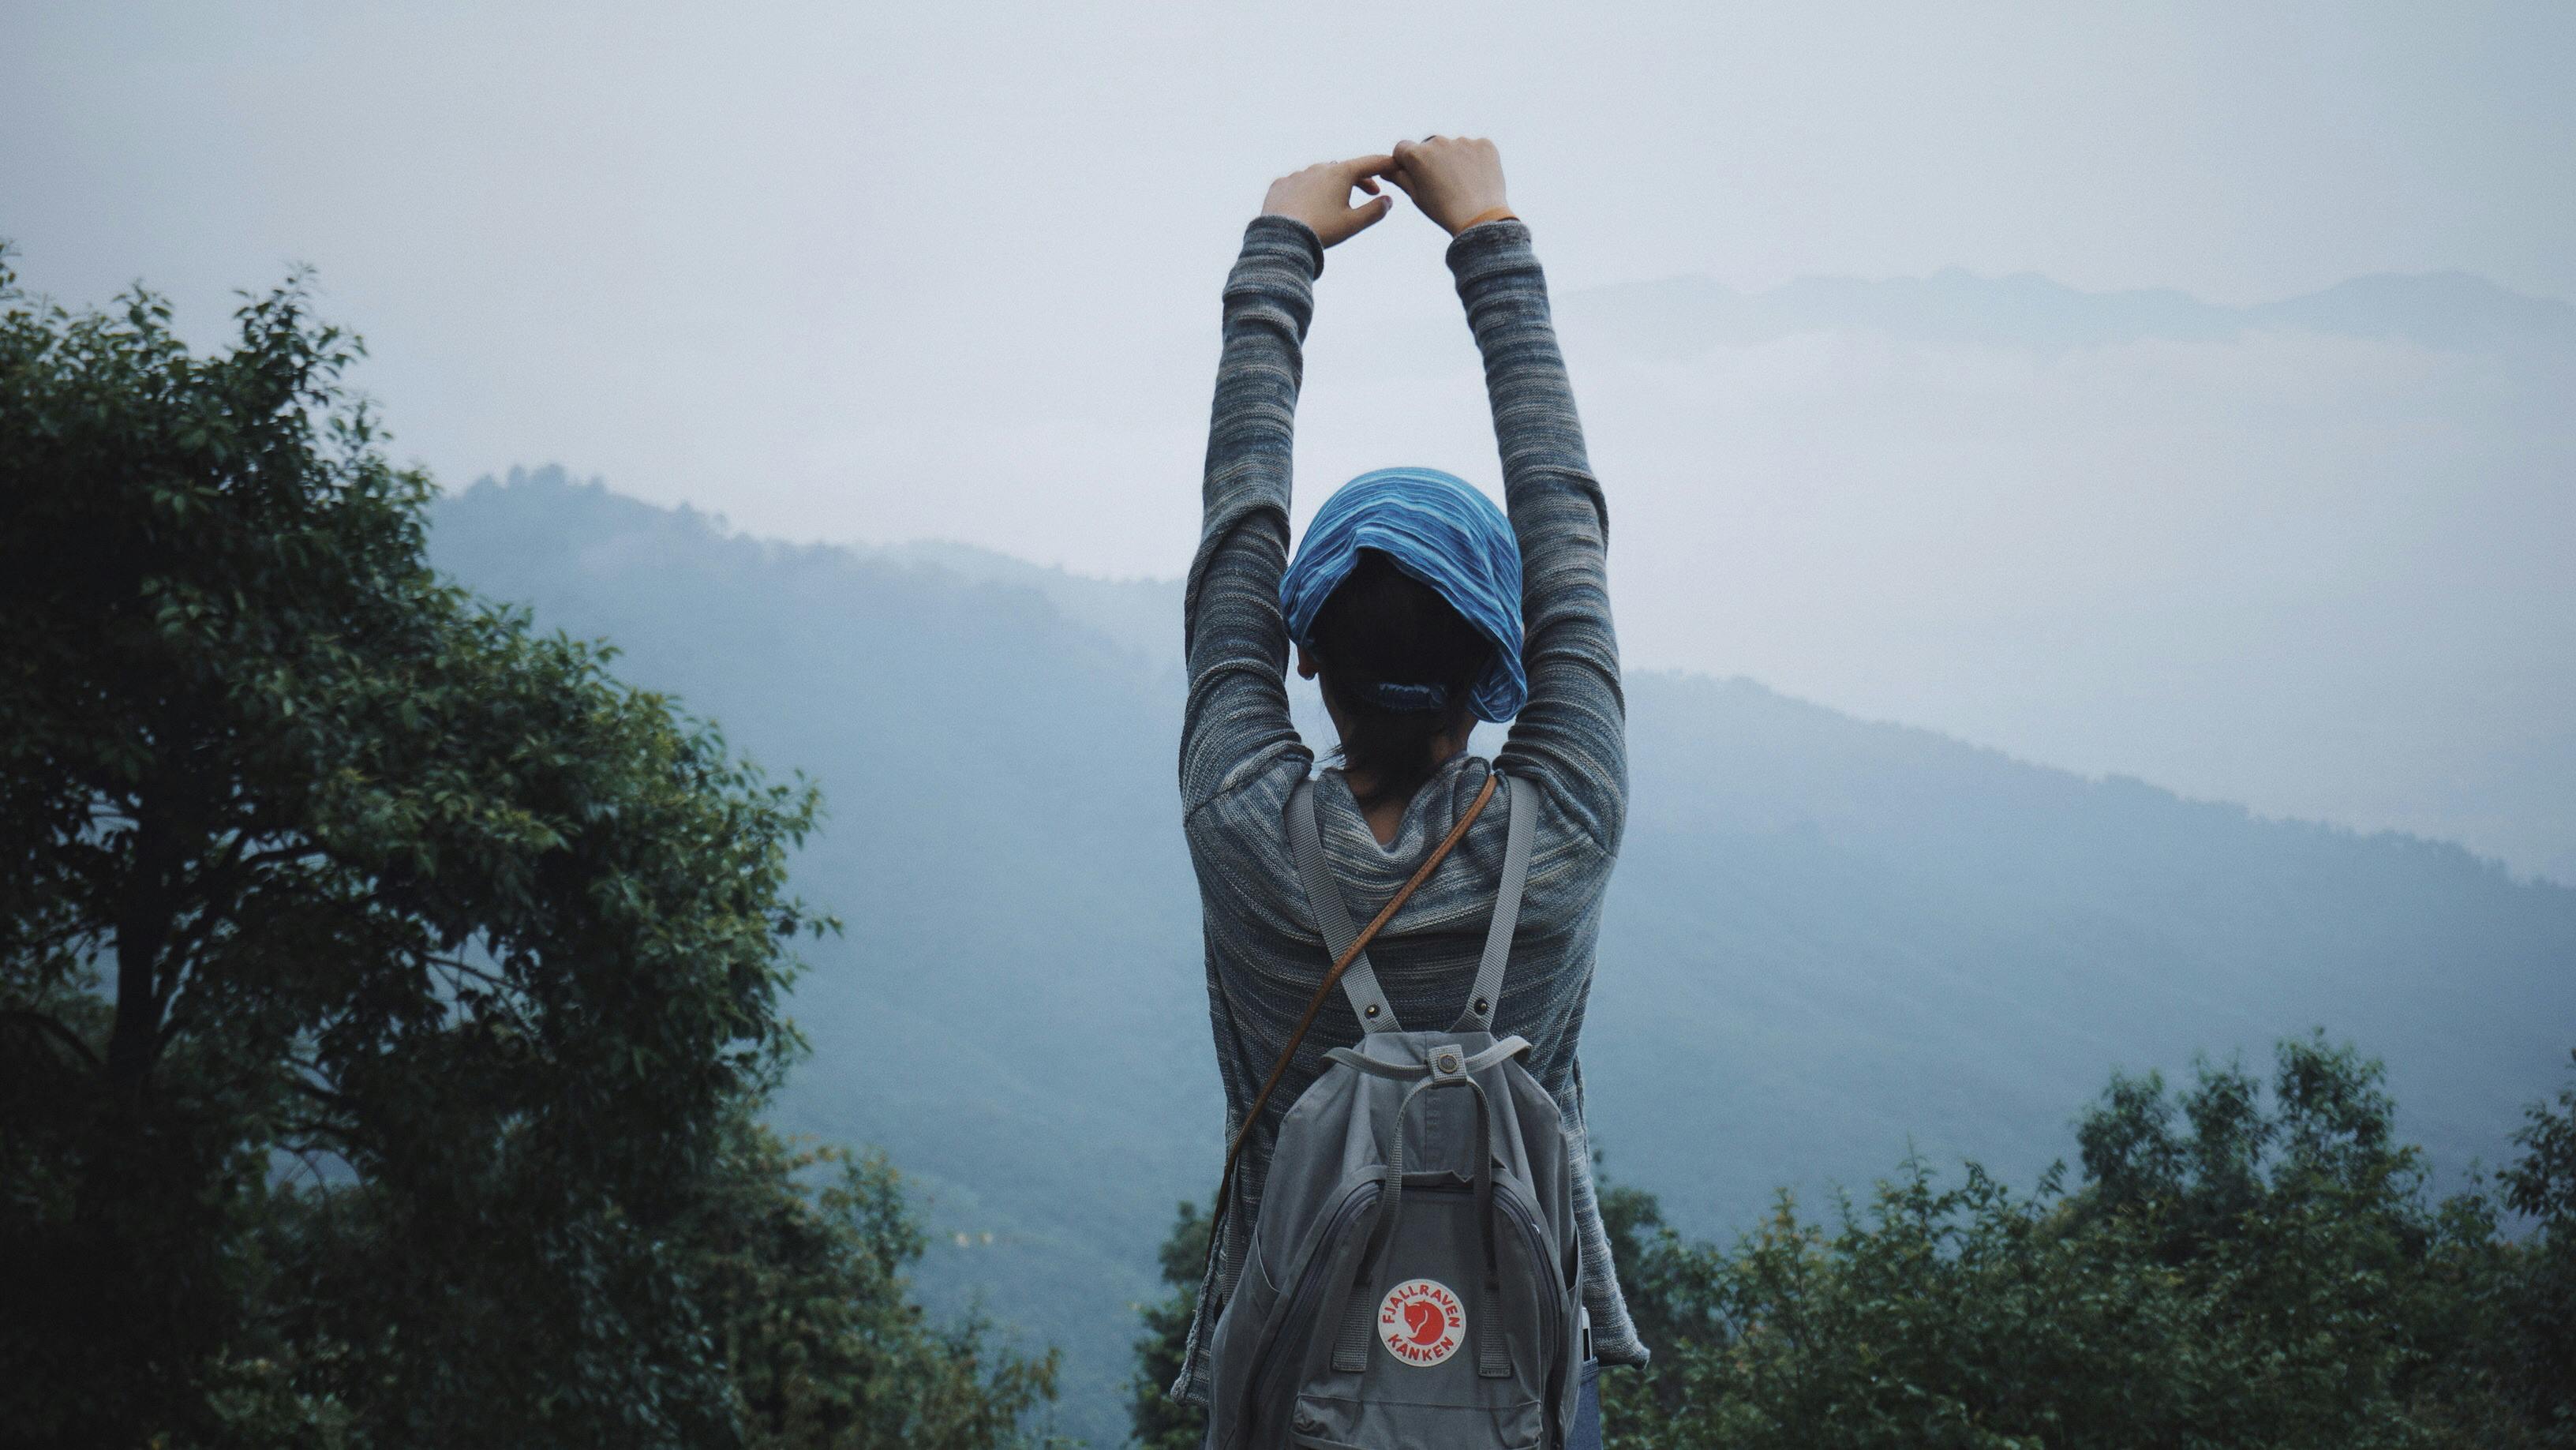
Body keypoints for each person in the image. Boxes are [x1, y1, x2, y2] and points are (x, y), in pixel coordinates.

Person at [1170, 136, 1645, 1448]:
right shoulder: (1564, 827)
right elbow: (1566, 520)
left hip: (1291, 1389)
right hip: (1519, 1393)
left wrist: (1281, 251)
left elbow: (1234, 537)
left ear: (1300, 648)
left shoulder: (1241, 826)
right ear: (1500, 670)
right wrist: (1485, 230)